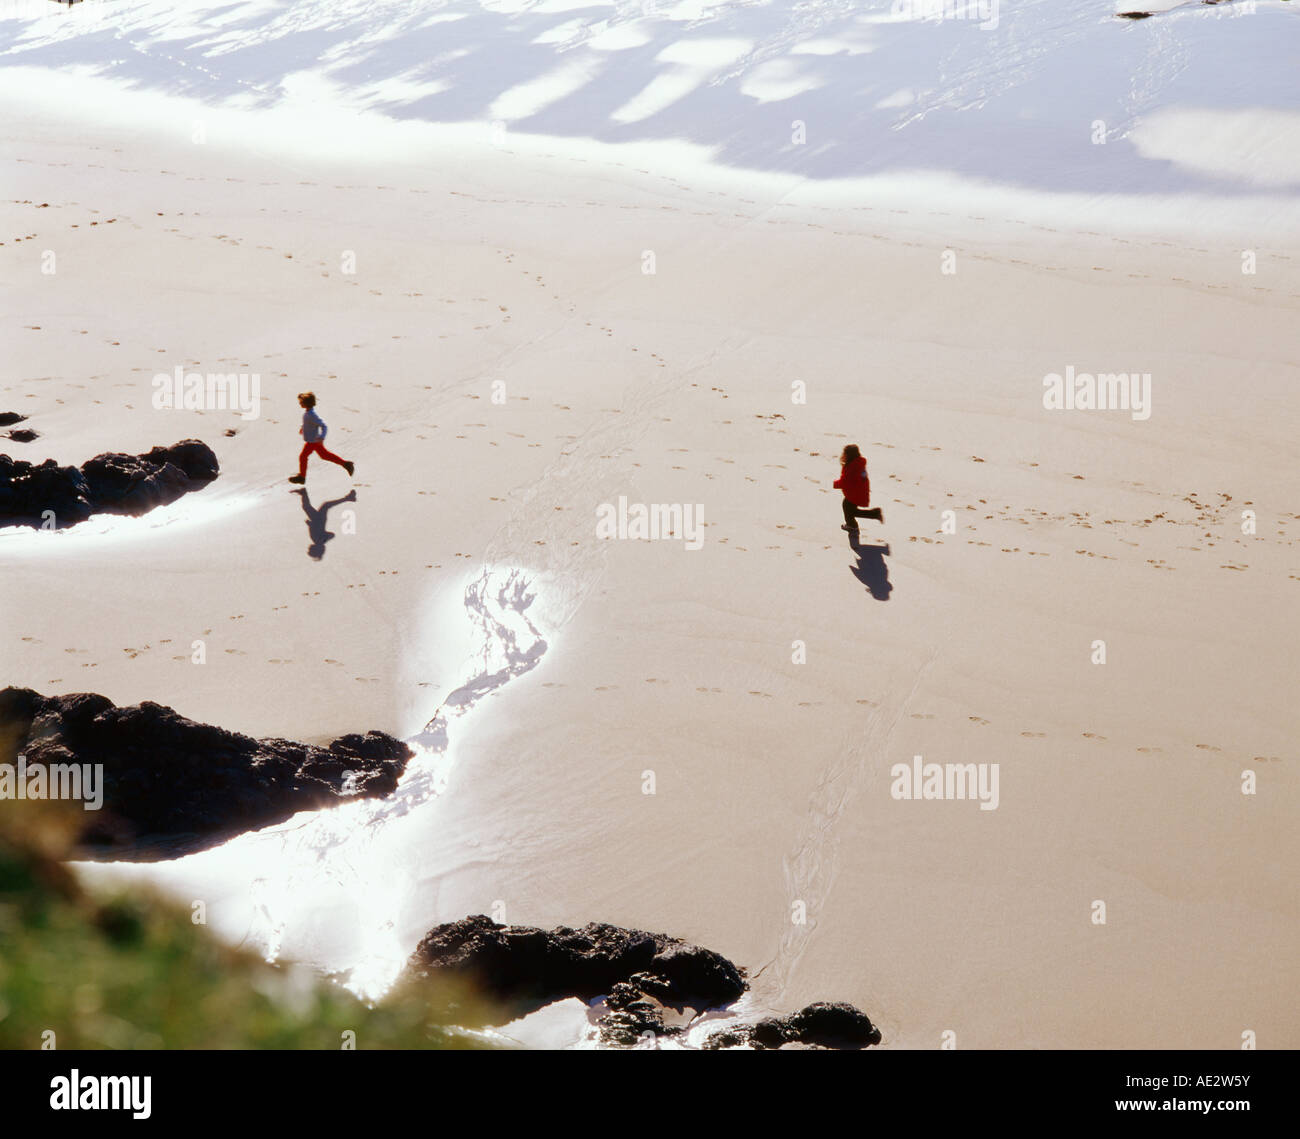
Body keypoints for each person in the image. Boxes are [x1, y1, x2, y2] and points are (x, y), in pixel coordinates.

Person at [288, 391, 353, 484]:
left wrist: (322, 437)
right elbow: (308, 422)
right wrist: (303, 427)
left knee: (303, 457)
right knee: (324, 455)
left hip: (313, 441)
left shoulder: (312, 415)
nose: (299, 403)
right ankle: (346, 464)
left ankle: (302, 477)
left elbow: (324, 426)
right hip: (313, 440)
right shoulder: (308, 413)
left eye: (301, 402)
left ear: (306, 403)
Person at [834, 443, 882, 532]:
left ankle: (853, 525)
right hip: (859, 492)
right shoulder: (858, 464)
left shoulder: (851, 468)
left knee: (849, 509)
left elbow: (845, 482)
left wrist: (835, 484)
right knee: (850, 509)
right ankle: (874, 514)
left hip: (855, 494)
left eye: (844, 454)